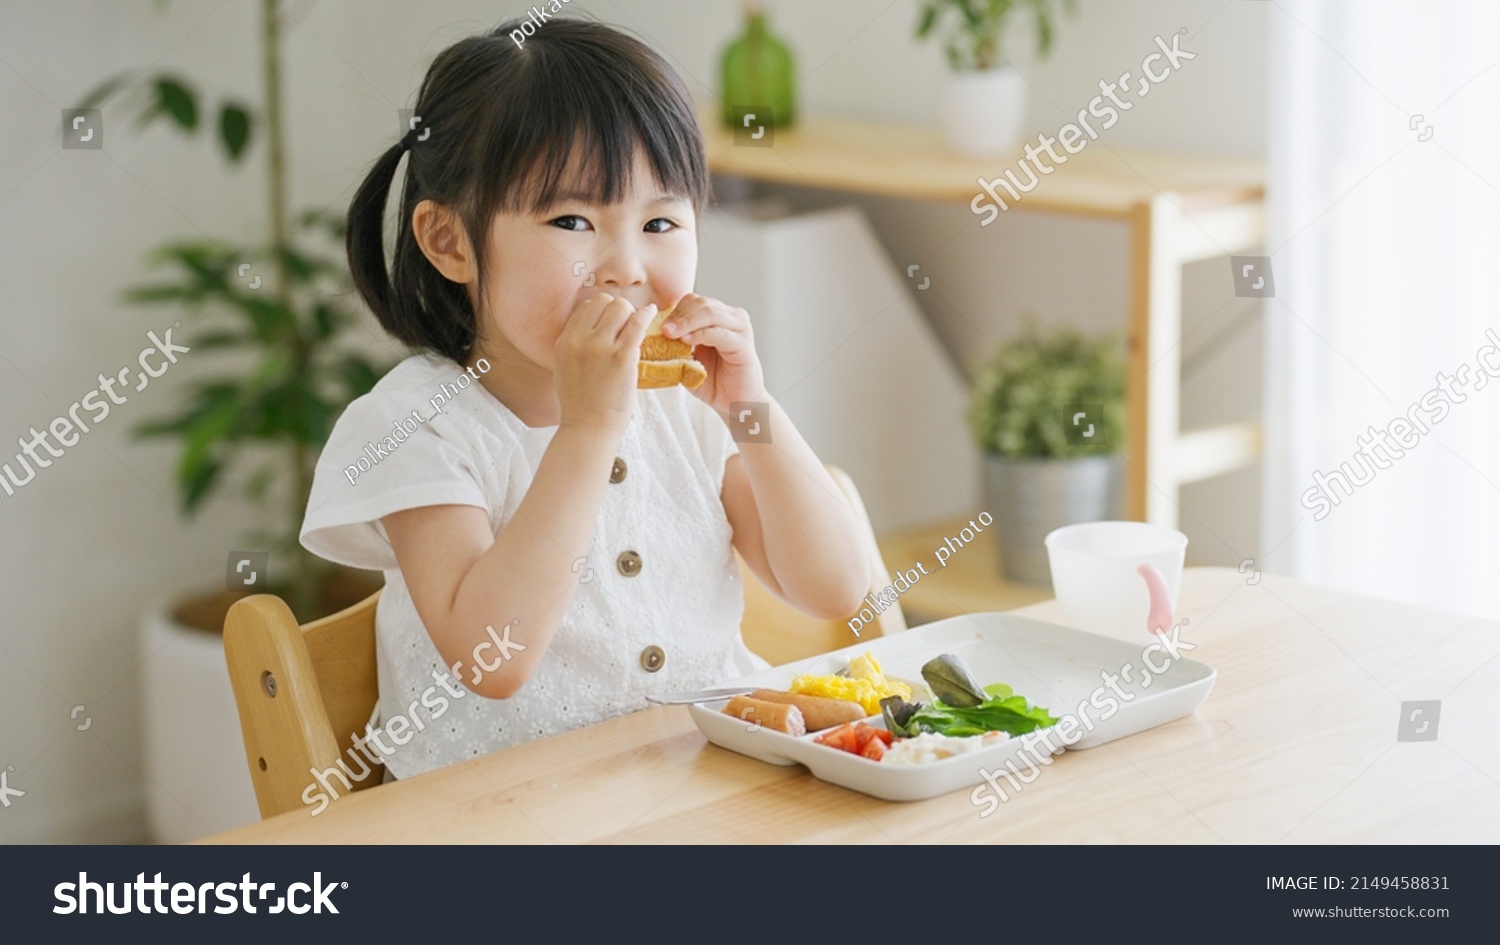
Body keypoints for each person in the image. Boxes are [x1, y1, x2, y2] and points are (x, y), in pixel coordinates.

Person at [300, 17, 869, 784]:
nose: (627, 267)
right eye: (572, 221)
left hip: (706, 790)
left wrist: (751, 408)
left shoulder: (686, 409)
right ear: (449, 243)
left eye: (660, 221)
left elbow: (835, 589)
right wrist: (591, 424)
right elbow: (489, 657)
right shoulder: (418, 427)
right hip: (499, 817)